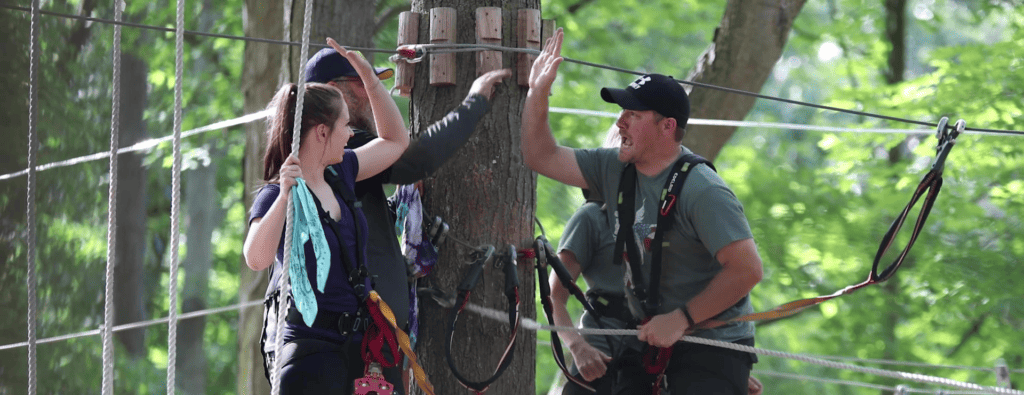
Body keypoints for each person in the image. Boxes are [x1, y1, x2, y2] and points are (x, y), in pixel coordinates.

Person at [522, 28, 763, 395]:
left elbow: (747, 269)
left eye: (632, 114)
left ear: (667, 127)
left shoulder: (703, 190)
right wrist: (538, 92)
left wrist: (682, 319)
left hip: (713, 341)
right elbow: (540, 156)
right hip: (648, 337)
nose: (620, 122)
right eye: (622, 113)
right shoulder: (613, 169)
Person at [303, 45, 511, 391]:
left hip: (363, 340)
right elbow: (413, 160)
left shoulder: (332, 158)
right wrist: (475, 103)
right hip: (353, 343)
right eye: (363, 85)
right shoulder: (338, 153)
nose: (373, 95)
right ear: (332, 91)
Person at [243, 42, 408, 393]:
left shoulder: (343, 172)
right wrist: (285, 197)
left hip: (357, 346)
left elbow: (395, 141)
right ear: (322, 132)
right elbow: (256, 258)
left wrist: (370, 79)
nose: (351, 134)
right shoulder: (276, 195)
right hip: (311, 357)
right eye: (345, 126)